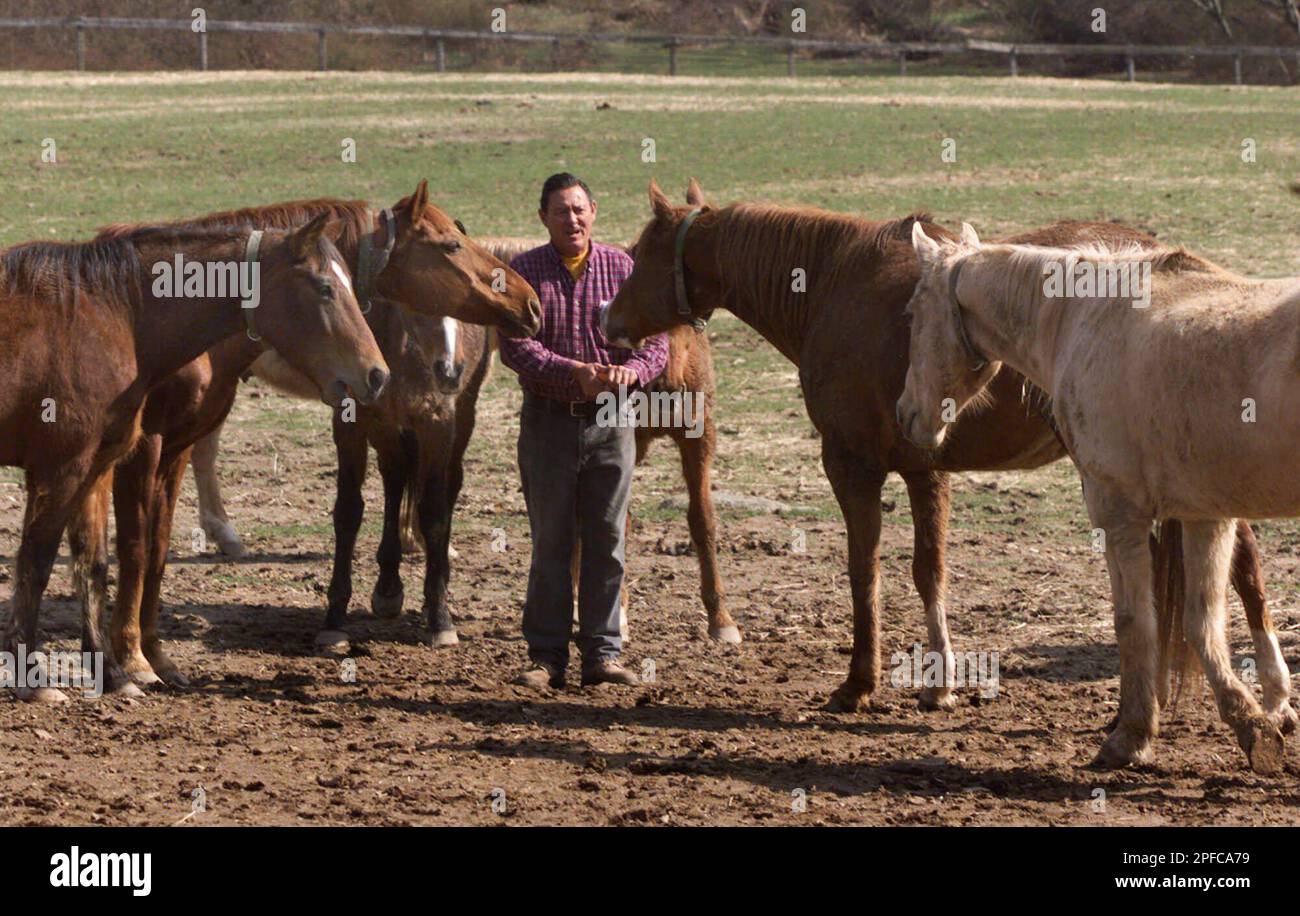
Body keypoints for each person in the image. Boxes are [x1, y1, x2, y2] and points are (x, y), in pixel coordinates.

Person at [498, 173, 668, 689]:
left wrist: (631, 372)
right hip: (548, 421)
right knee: (550, 539)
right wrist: (573, 372)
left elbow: (656, 340)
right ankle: (546, 658)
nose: (570, 219)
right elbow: (515, 346)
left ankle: (603, 654)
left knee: (607, 538)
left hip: (613, 422)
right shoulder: (523, 273)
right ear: (542, 217)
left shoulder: (622, 268)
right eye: (559, 211)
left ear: (593, 211)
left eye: (578, 209)